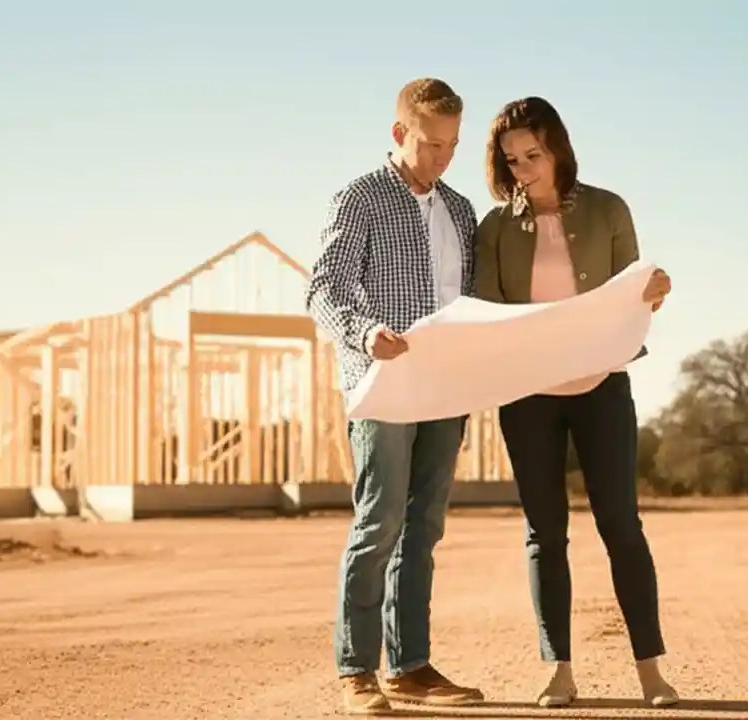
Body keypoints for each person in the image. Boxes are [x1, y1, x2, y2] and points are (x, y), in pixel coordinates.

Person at [472, 96, 679, 709]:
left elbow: (630, 294)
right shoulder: (494, 227)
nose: (523, 169)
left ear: (557, 147)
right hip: (529, 397)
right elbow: (486, 315)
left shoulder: (610, 209)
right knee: (545, 533)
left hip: (602, 389)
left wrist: (654, 290)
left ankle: (652, 674)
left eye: (533, 155)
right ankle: (558, 672)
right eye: (511, 160)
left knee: (621, 525)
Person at [305, 77, 484, 715]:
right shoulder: (359, 199)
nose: (442, 156)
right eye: (432, 143)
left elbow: (477, 304)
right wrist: (364, 331)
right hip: (381, 383)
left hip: (444, 390)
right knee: (378, 522)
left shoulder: (461, 211)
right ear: (398, 133)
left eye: (453, 145)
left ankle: (412, 667)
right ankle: (357, 669)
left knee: (424, 529)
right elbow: (323, 289)